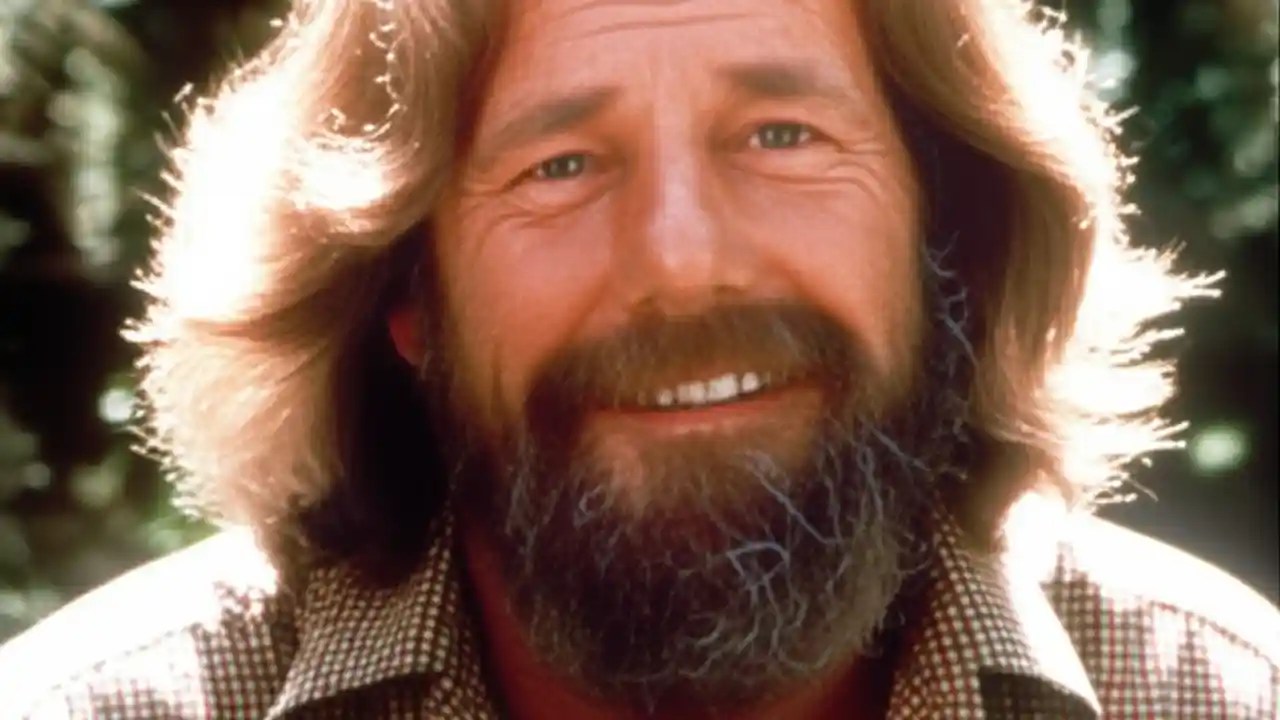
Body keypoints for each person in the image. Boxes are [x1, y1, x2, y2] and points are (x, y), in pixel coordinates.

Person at [1, 0, 1277, 717]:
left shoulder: (1211, 696)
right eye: (558, 165)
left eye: (779, 134)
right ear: (407, 290)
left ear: (950, 225)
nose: (679, 258)